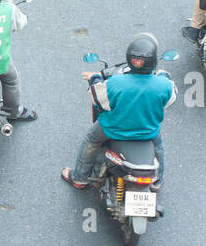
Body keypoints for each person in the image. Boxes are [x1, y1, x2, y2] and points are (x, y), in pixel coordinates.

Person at [61, 33, 175, 190]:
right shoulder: (164, 85)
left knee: (91, 140)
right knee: (159, 148)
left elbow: (96, 98)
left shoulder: (115, 82)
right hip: (148, 131)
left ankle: (79, 178)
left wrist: (95, 78)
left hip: (112, 130)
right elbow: (169, 101)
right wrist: (163, 75)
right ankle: (157, 181)